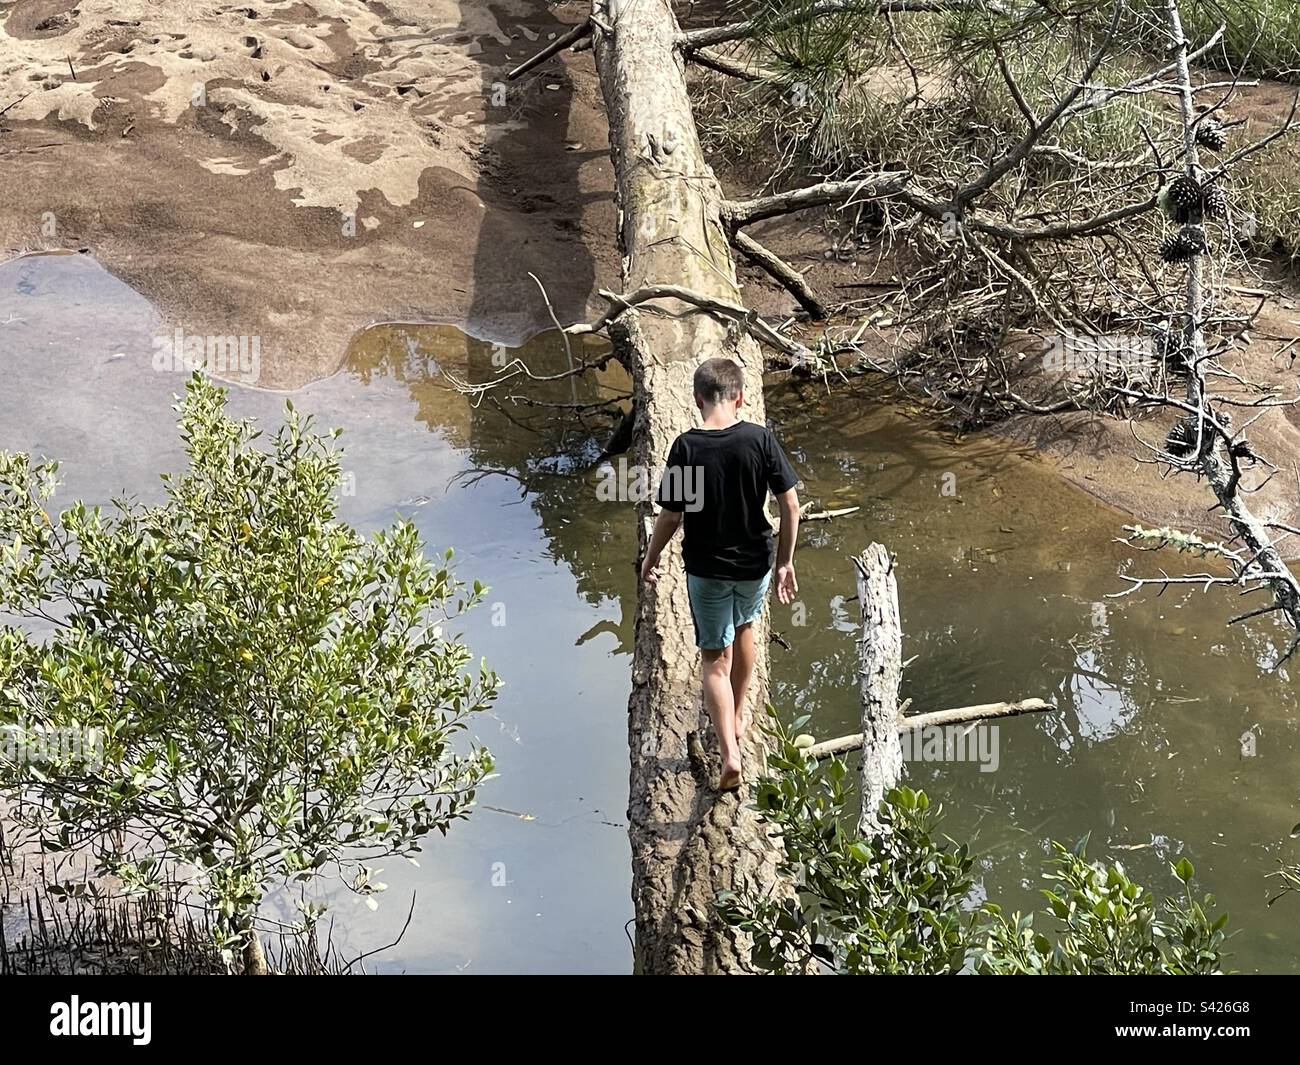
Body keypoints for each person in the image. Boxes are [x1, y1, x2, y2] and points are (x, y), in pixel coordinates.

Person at [640, 357, 800, 790]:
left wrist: (651, 558)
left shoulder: (687, 448)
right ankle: (739, 710)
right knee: (745, 628)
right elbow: (790, 506)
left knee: (714, 658)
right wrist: (785, 561)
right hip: (754, 564)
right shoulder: (759, 440)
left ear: (697, 400)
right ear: (740, 397)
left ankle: (729, 753)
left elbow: (671, 515)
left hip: (706, 569)